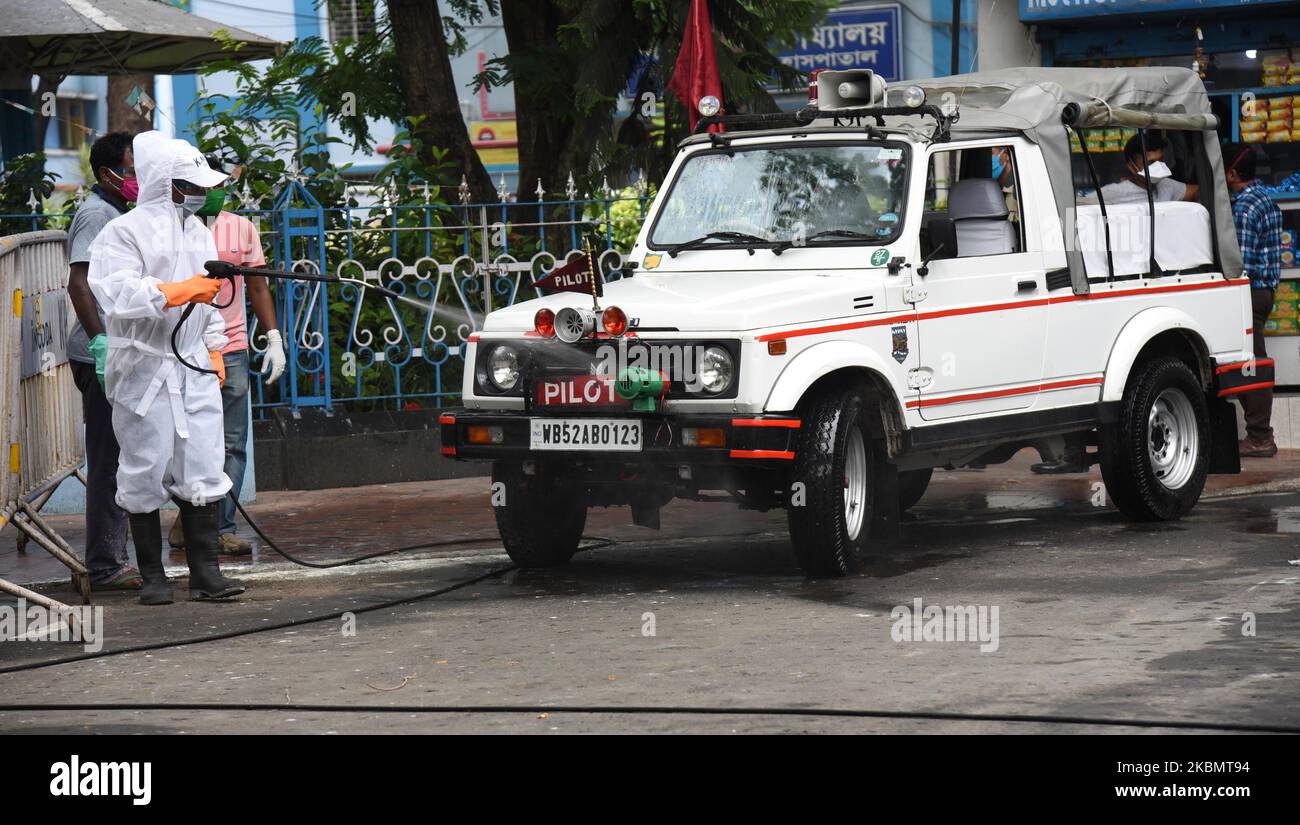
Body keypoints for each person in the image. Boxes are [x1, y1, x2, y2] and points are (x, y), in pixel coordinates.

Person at [87, 130, 245, 605]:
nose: (201, 192)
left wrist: (214, 351)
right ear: (167, 182)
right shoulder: (122, 231)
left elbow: (210, 304)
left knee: (202, 463)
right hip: (144, 369)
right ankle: (154, 577)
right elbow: (114, 292)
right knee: (143, 468)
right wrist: (174, 292)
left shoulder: (197, 230)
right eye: (191, 184)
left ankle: (205, 573)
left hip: (192, 366)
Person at [167, 155, 285, 555]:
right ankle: (190, 518)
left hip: (231, 348)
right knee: (187, 441)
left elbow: (257, 287)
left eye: (216, 185)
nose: (211, 193)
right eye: (202, 186)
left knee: (232, 443)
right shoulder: (171, 230)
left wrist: (274, 338)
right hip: (185, 350)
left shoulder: (242, 229)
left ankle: (221, 527)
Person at [64, 132, 141, 591]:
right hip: (99, 355)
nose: (135, 178)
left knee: (123, 456)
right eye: (130, 170)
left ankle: (113, 560)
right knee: (109, 459)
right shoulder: (96, 214)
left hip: (115, 351)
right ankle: (106, 566)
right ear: (108, 173)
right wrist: (101, 344)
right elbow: (80, 284)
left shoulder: (118, 212)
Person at [1225, 143, 1284, 458]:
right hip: (1263, 292)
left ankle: (1260, 436)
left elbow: (1240, 264)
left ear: (1233, 173)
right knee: (1247, 361)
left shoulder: (1245, 207)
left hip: (1249, 292)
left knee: (1252, 363)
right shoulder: (1266, 199)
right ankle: (1259, 433)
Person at [1100, 133, 1201, 205]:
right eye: (1150, 163)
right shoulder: (1112, 193)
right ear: (1132, 167)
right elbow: (1085, 208)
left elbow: (1196, 191)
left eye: (1160, 160)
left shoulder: (1167, 185)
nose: (1158, 166)